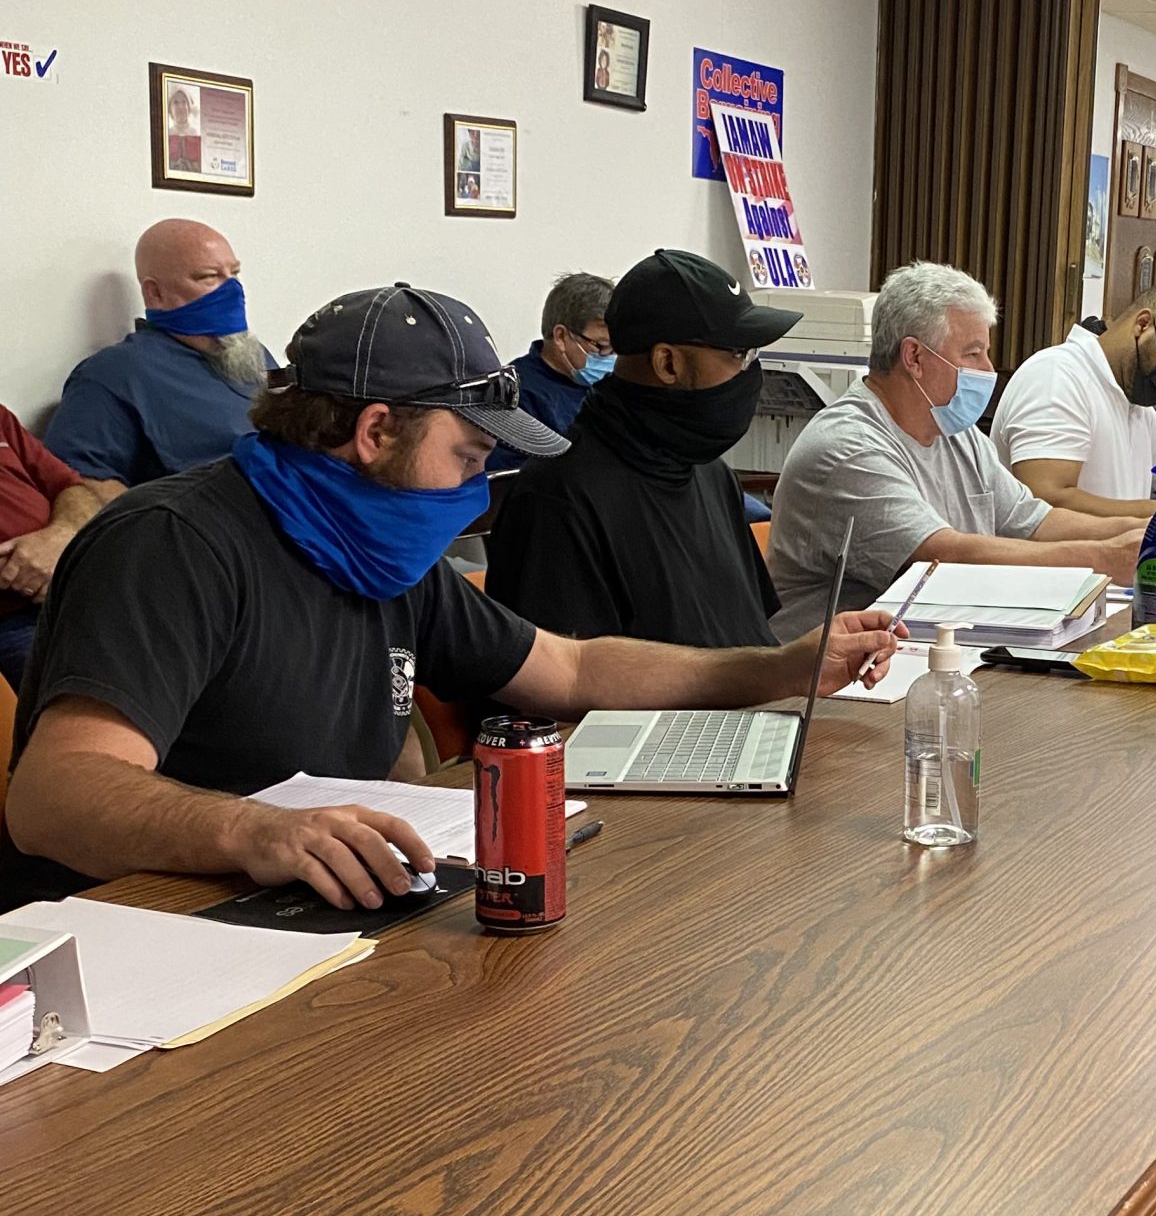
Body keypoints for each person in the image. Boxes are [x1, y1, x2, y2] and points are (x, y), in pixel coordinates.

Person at [1, 284, 895, 910]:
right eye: (467, 455)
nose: (476, 484)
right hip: (148, 939)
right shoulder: (176, 545)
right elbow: (56, 794)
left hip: (313, 913)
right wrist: (252, 832)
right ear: (376, 430)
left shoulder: (381, 545)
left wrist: (778, 667)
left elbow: (571, 666)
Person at [767, 260, 1143, 639]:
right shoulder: (848, 447)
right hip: (835, 678)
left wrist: (1140, 531)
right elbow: (941, 558)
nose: (989, 368)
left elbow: (1034, 523)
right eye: (973, 353)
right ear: (914, 357)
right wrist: (1104, 557)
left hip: (932, 647)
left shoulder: (954, 431)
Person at [488, 250, 789, 649]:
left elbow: (750, 641)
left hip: (756, 706)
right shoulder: (557, 498)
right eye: (738, 354)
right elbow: (561, 692)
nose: (750, 372)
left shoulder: (708, 474)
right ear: (667, 363)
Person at [46, 218, 275, 491]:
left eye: (234, 274)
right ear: (155, 293)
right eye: (209, 277)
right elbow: (82, 484)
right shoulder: (114, 374)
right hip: (217, 520)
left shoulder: (254, 355)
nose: (232, 290)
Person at [991, 283, 1156, 517]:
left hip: (1114, 552)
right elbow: (1047, 501)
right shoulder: (1056, 376)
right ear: (1143, 325)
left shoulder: (1135, 401)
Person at [0, 410, 111, 687]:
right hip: (16, 619)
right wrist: (25, 570)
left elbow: (72, 487)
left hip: (88, 576)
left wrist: (61, 536)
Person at [490, 269, 615, 468]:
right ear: (561, 337)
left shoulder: (606, 389)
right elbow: (506, 482)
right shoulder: (513, 393)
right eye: (600, 346)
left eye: (616, 349)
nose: (610, 358)